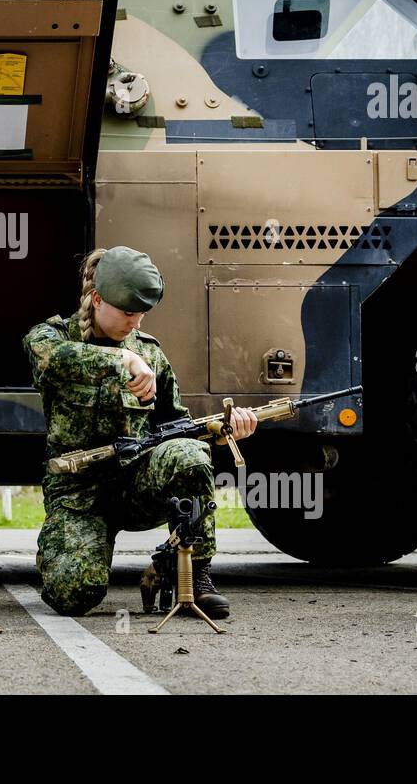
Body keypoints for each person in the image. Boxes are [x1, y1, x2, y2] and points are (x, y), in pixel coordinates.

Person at [24, 245, 257, 618]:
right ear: (97, 300)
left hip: (136, 485)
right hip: (79, 493)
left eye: (142, 314)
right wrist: (123, 360)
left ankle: (191, 573)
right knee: (74, 595)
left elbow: (177, 428)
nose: (136, 323)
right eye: (128, 313)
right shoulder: (51, 337)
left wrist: (224, 431)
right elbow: (54, 361)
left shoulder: (150, 355)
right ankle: (74, 556)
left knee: (189, 455)